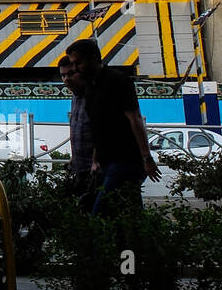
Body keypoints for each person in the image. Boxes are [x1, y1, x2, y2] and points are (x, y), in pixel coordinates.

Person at [65, 38, 160, 215]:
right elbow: (97, 127)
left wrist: (146, 158)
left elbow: (135, 119)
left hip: (126, 160)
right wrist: (96, 160)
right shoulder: (90, 87)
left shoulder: (117, 81)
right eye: (73, 64)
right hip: (107, 162)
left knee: (101, 213)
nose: (76, 68)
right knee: (127, 214)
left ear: (93, 58)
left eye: (78, 63)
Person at [59, 54, 97, 211]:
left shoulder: (94, 95)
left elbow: (100, 131)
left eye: (70, 74)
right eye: (63, 75)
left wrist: (96, 161)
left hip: (95, 168)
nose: (66, 79)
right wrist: (73, 159)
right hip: (80, 166)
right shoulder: (75, 96)